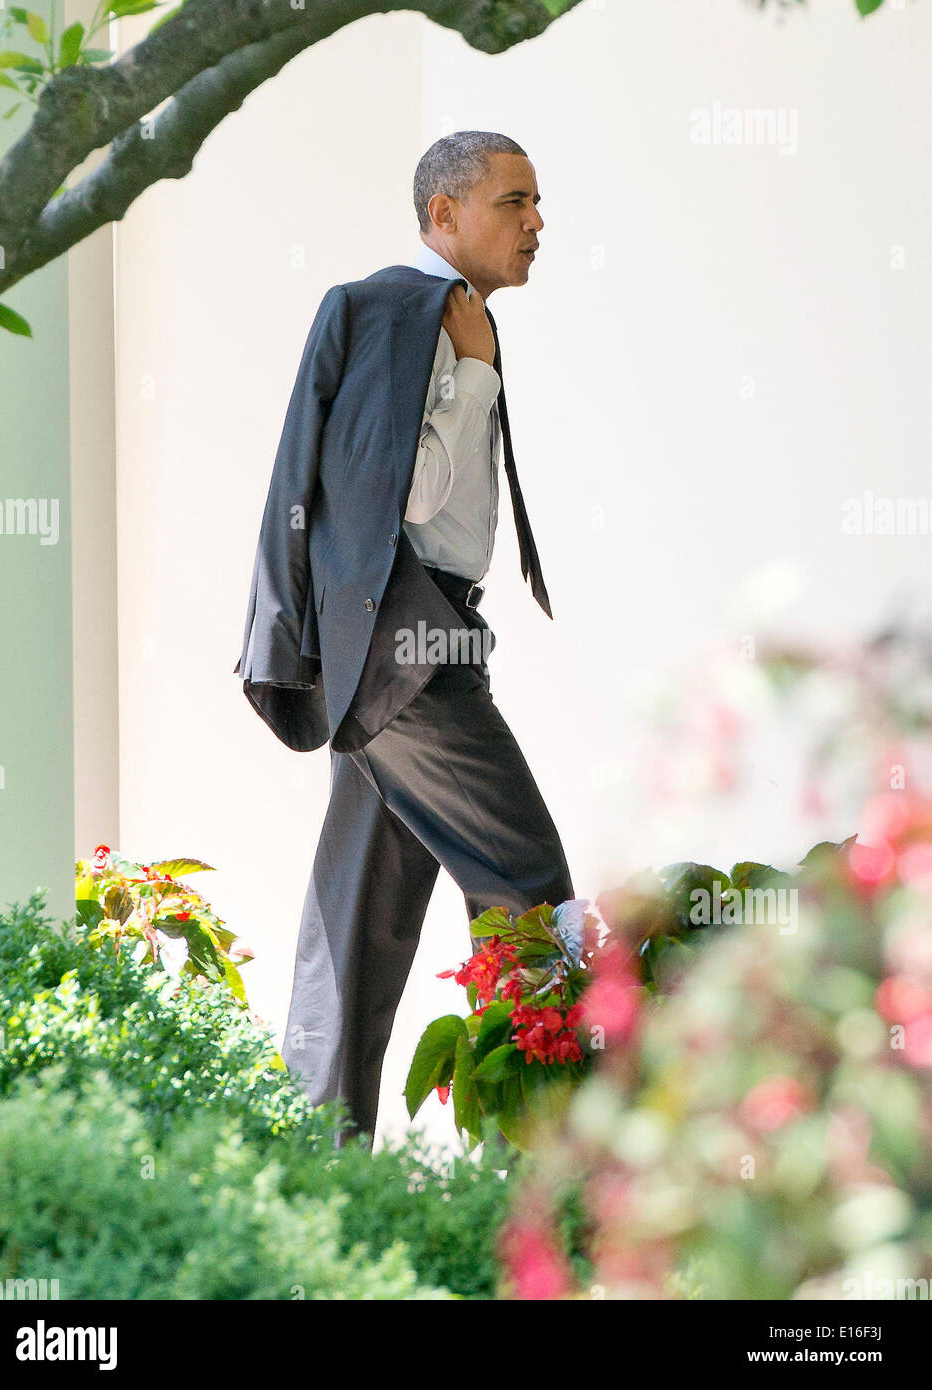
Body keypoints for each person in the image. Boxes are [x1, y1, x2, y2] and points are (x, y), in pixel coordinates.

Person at [234, 130, 573, 1143]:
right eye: (514, 201)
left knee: (358, 921)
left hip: (408, 642)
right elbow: (402, 497)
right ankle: (542, 1166)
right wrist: (475, 373)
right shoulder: (400, 314)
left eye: (537, 202)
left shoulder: (444, 318)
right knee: (528, 884)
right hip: (411, 649)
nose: (537, 222)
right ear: (443, 214)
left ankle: (314, 1167)